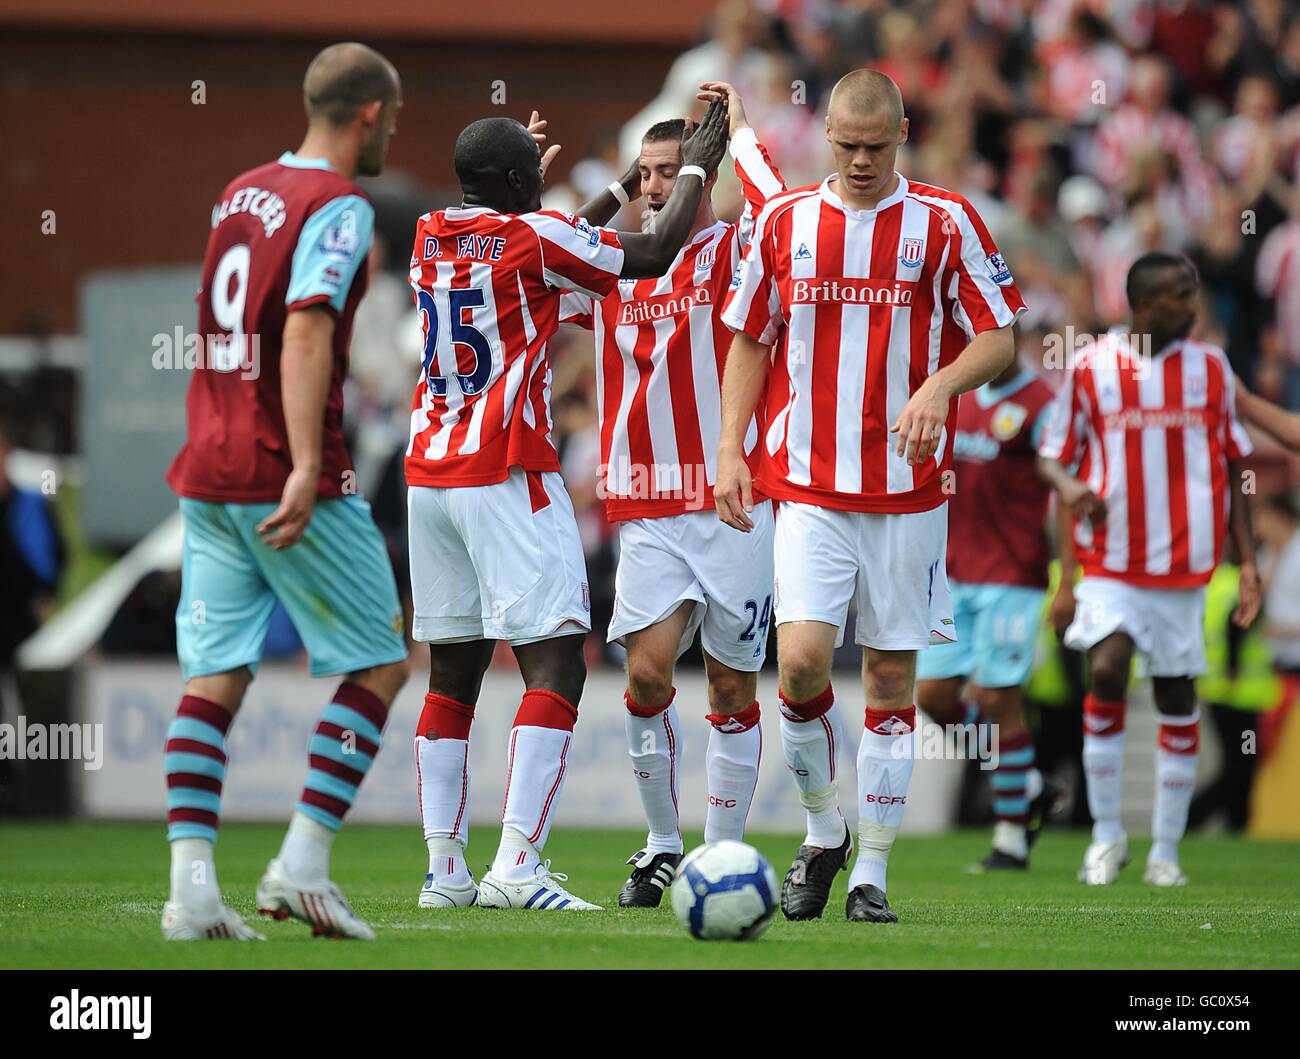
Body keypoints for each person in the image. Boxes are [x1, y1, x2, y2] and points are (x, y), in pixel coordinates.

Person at [715, 69, 1025, 924]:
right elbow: (749, 336)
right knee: (805, 662)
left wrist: (941, 385)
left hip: (908, 493)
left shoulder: (947, 220)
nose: (857, 161)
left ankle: (872, 873)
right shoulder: (783, 223)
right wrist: (727, 447)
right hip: (807, 484)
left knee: (891, 678)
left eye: (873, 146)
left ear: (903, 134)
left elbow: (1000, 334)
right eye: (844, 146)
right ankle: (825, 831)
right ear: (827, 138)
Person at [408, 99, 731, 912]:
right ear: (520, 184)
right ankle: (518, 865)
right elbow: (651, 252)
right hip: (506, 469)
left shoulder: (428, 234)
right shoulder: (533, 236)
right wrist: (695, 165)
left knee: (452, 674)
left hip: (429, 474)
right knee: (553, 661)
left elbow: (542, 248)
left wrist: (618, 183)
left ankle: (445, 872)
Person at [161, 43, 410, 941]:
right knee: (381, 660)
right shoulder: (337, 206)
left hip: (208, 460)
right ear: (371, 114)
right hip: (281, 461)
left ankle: (192, 892)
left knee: (214, 676)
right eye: (396, 117)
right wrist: (307, 461)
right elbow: (305, 333)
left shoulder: (241, 190)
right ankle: (301, 865)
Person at [559, 82, 785, 906]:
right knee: (648, 678)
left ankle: (720, 854)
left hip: (730, 501)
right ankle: (660, 842)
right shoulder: (613, 262)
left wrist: (738, 141)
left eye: (670, 170)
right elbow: (554, 247)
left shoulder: (730, 250)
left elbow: (780, 206)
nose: (658, 185)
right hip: (647, 505)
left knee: (731, 686)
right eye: (646, 173)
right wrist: (620, 189)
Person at [1037, 251, 1262, 887]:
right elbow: (1053, 459)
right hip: (1109, 562)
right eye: (1181, 297)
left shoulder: (1212, 370)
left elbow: (1237, 467)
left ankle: (1165, 849)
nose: (1194, 309)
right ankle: (1106, 836)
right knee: (1105, 668)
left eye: (1194, 295)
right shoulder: (1090, 366)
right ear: (1144, 305)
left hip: (1186, 567)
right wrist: (1068, 568)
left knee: (1174, 694)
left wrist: (1246, 563)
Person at [913, 348, 1061, 872]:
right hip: (953, 575)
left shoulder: (1043, 404)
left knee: (999, 700)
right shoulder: (955, 393)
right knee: (931, 696)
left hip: (1013, 575)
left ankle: (1010, 841)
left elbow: (1060, 489)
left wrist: (1066, 582)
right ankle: (1032, 783)